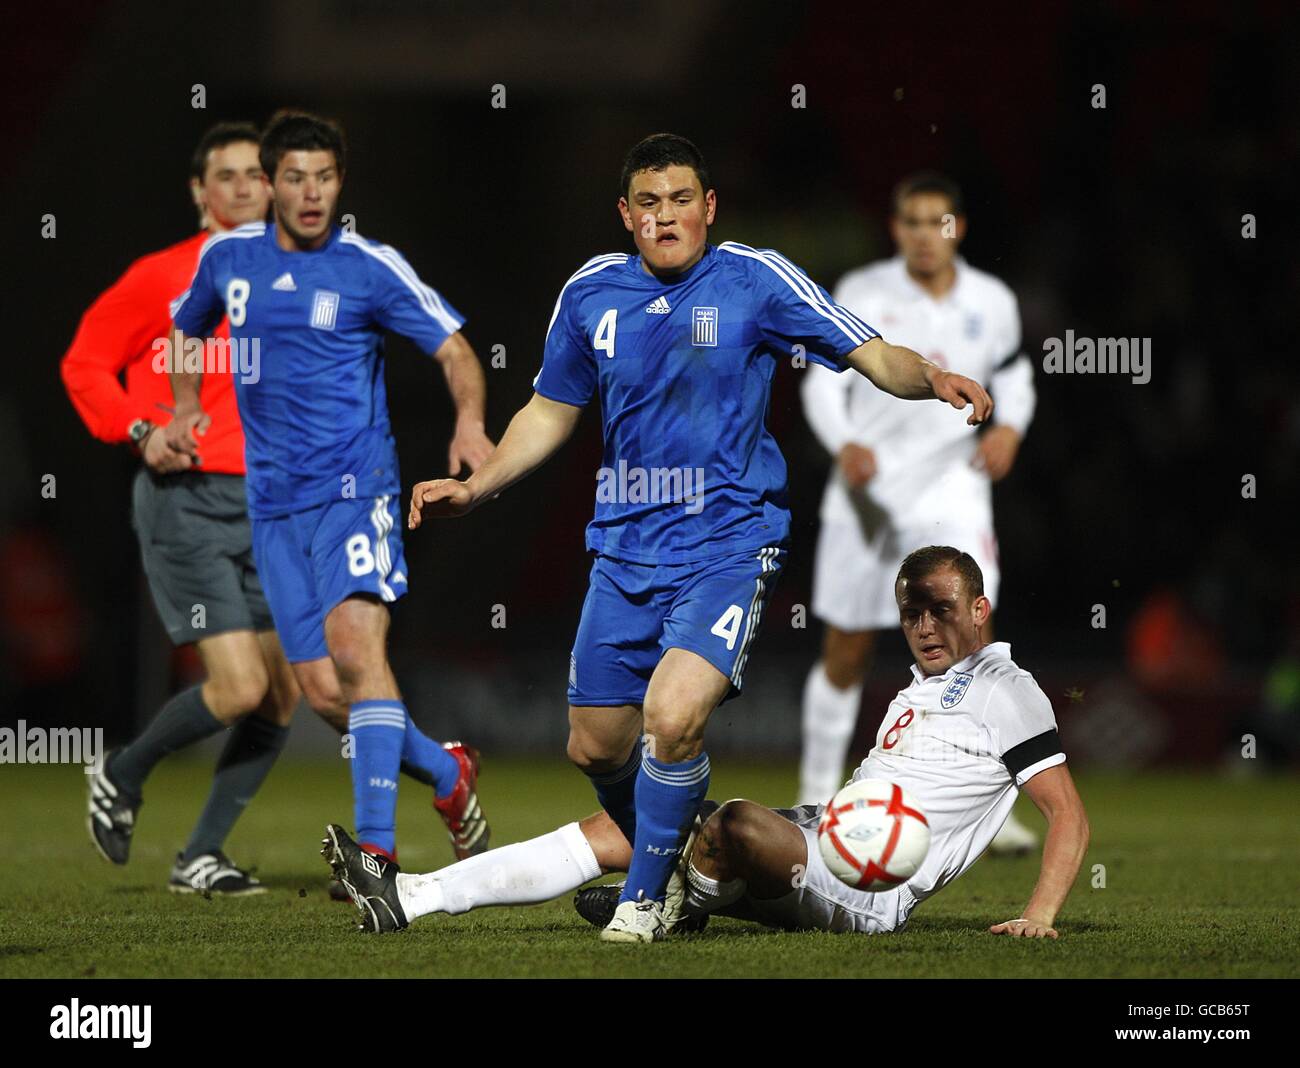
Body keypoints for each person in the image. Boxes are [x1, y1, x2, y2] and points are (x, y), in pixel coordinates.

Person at [404, 133, 993, 941]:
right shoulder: (589, 295)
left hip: (729, 545)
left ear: (709, 208)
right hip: (622, 551)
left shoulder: (756, 278)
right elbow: (548, 411)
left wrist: (932, 378)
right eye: (648, 203)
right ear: (626, 215)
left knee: (672, 716)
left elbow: (868, 351)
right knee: (594, 746)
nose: (666, 215)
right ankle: (686, 857)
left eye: (682, 199)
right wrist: (478, 488)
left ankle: (646, 902)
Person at [322, 546, 1088, 940]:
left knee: (732, 825)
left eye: (941, 609)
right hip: (822, 835)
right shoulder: (919, 690)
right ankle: (412, 897)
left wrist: (1041, 915)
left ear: (980, 608)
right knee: (630, 823)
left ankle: (675, 902)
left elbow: (1068, 814)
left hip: (868, 887)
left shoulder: (1003, 688)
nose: (924, 625)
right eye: (911, 611)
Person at [165, 110, 493, 866]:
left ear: (339, 182)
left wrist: (469, 426)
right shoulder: (227, 260)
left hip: (357, 488)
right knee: (323, 693)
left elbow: (455, 351)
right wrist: (185, 407)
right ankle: (448, 772)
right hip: (272, 505)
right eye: (294, 178)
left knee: (354, 648)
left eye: (326, 177)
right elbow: (187, 329)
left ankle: (374, 856)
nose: (311, 193)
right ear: (271, 184)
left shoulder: (369, 266)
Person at [64, 122, 301, 894]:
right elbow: (84, 363)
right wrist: (140, 429)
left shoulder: (288, 278)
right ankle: (122, 770)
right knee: (237, 688)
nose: (240, 186)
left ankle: (200, 853)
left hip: (269, 502)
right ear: (200, 194)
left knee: (282, 691)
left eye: (252, 175)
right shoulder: (157, 278)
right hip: (185, 498)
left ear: (271, 187)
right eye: (223, 175)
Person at [797, 171, 1039, 856]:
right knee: (846, 646)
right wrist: (843, 443)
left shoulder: (992, 301)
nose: (924, 236)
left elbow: (1015, 375)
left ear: (955, 227)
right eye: (910, 222)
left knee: (972, 642)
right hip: (868, 493)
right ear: (895, 228)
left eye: (938, 222)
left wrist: (1010, 429)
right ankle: (819, 796)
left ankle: (992, 804)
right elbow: (821, 382)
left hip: (951, 492)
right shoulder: (863, 293)